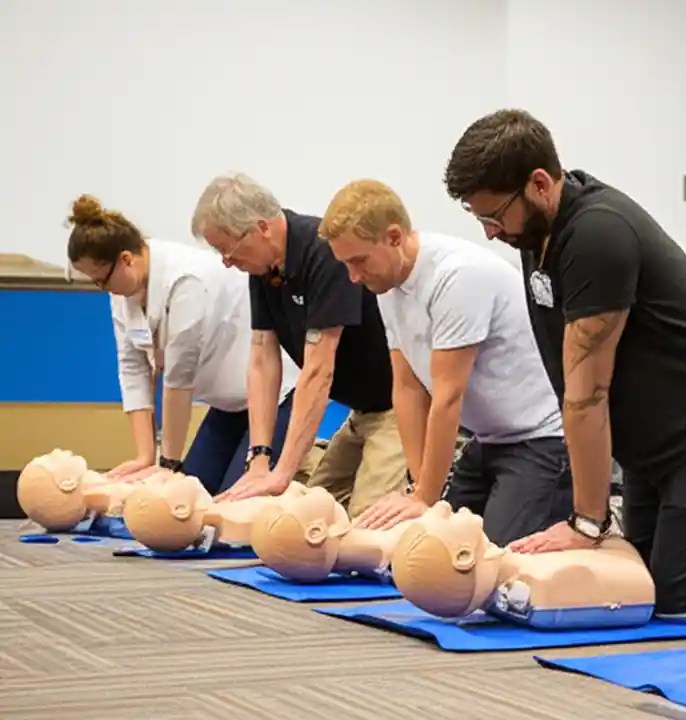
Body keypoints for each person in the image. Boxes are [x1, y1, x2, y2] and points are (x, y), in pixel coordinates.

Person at [443, 109, 686, 616]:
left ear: (539, 183)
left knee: (677, 599)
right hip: (656, 435)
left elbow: (586, 393)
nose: (491, 233)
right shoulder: (534, 230)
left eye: (494, 216)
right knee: (634, 586)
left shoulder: (596, 234)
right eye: (480, 219)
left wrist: (587, 523)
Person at [317, 178, 573, 544]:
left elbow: (447, 396)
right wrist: (420, 486)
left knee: (489, 562)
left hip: (542, 440)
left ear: (393, 237)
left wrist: (425, 498)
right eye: (346, 265)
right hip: (487, 441)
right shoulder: (385, 283)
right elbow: (406, 387)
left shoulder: (457, 276)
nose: (353, 276)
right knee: (424, 544)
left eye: (358, 261)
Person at [189, 173, 407, 518]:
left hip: (400, 409)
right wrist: (260, 458)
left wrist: (282, 473)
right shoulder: (263, 268)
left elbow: (318, 371)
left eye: (226, 248)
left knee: (368, 522)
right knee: (307, 513)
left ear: (261, 227)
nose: (226, 261)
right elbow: (262, 358)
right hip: (361, 413)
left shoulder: (325, 252)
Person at [64, 194, 299, 493]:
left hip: (275, 395)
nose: (102, 288)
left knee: (234, 501)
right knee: (196, 490)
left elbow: (178, 380)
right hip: (227, 403)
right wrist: (145, 457)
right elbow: (132, 369)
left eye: (101, 280)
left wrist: (168, 465)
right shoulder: (122, 289)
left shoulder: (186, 281)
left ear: (126, 260)